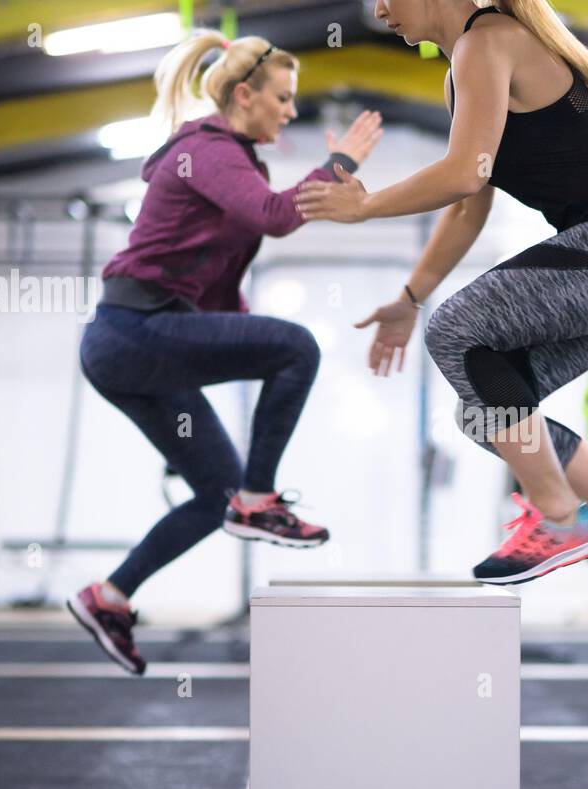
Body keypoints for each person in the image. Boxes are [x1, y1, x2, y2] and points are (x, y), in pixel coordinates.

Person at [296, 0, 588, 614]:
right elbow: (470, 201)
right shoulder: (465, 65)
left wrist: (365, 204)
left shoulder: (488, 40)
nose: (378, 10)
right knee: (488, 410)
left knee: (461, 330)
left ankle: (561, 517)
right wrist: (410, 299)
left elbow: (463, 173)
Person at [68, 30, 383, 674]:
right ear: (245, 95)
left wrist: (237, 352)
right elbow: (272, 214)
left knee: (216, 493)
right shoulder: (206, 149)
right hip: (132, 330)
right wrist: (340, 166)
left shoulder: (230, 160)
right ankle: (260, 500)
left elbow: (218, 299)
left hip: (147, 343)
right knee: (295, 346)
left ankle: (109, 596)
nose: (291, 112)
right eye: (284, 98)